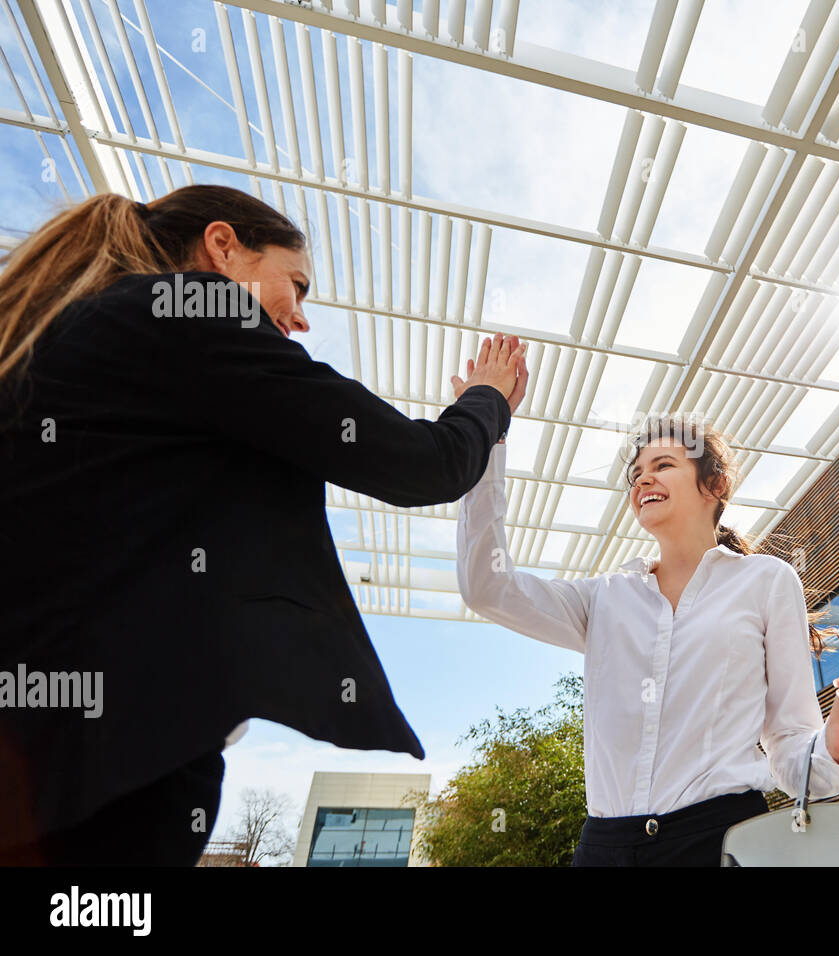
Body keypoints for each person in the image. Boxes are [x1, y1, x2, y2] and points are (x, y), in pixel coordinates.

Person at [0, 185, 524, 865]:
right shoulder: (191, 317)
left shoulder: (52, 339)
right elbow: (425, 465)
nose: (301, 318)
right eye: (296, 284)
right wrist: (487, 400)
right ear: (223, 245)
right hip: (99, 773)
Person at [455, 339, 839, 866]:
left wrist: (837, 741)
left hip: (719, 840)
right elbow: (486, 585)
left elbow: (797, 761)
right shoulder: (603, 598)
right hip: (603, 846)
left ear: (714, 484)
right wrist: (489, 428)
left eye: (662, 464)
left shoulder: (767, 581)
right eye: (635, 473)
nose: (643, 478)